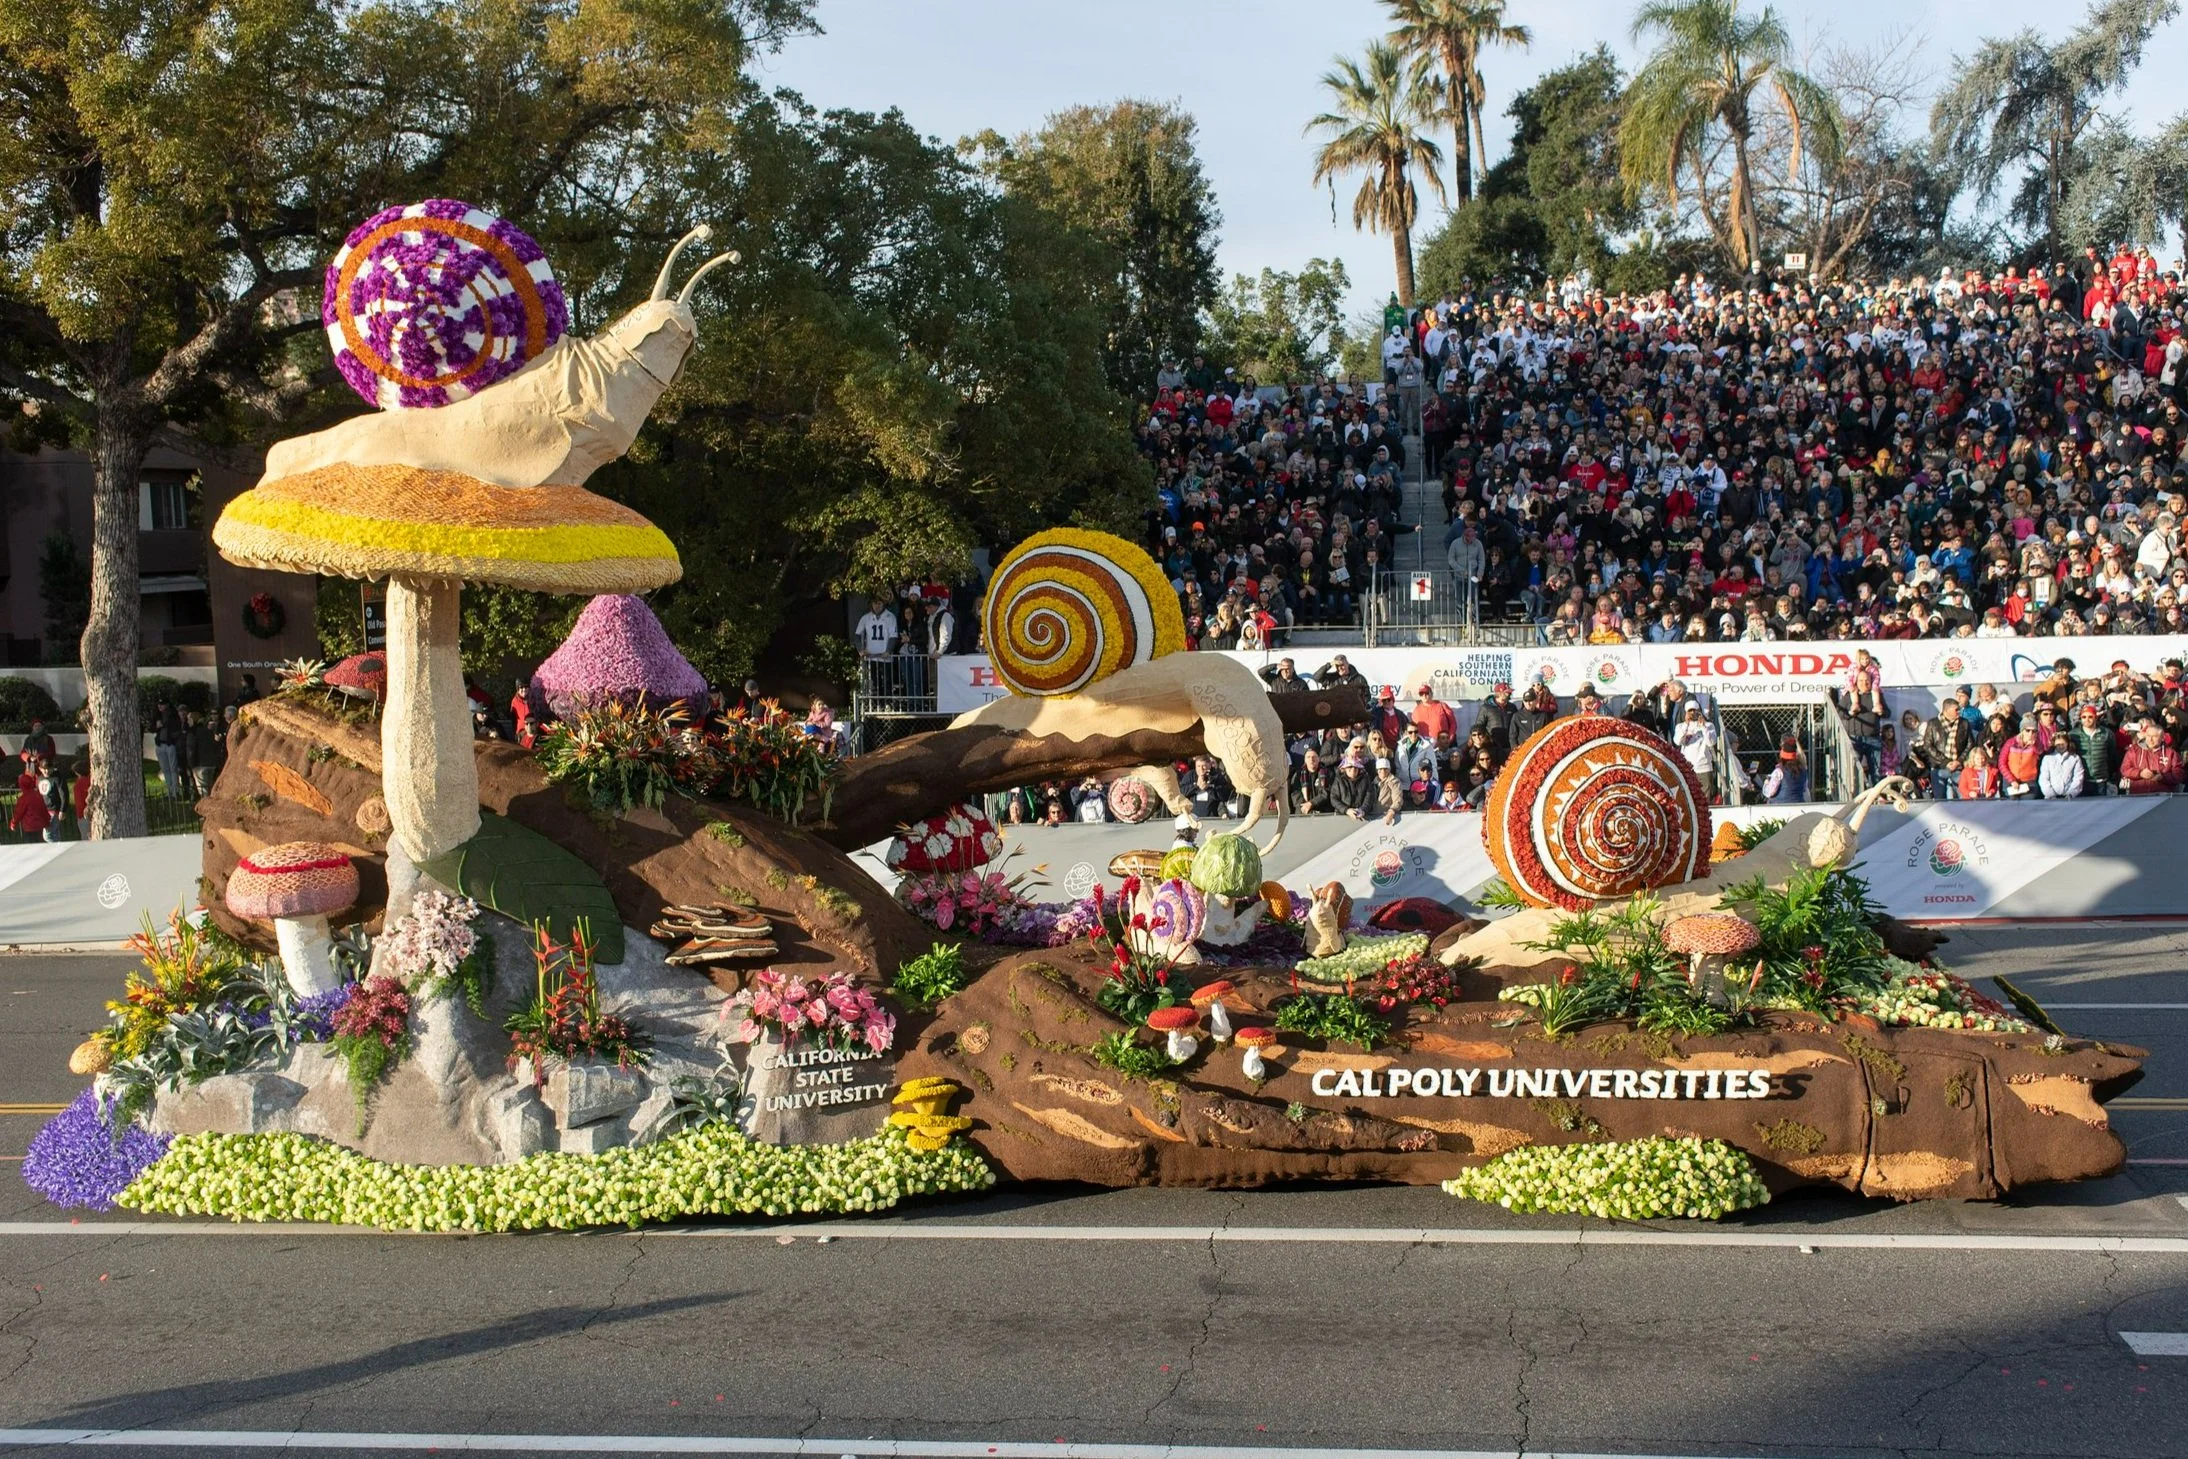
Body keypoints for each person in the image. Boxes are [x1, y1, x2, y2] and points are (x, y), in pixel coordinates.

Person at [2120, 719, 2184, 794]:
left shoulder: (2171, 754)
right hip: (2137, 794)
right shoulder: (2134, 751)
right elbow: (2124, 769)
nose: (2150, 739)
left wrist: (2163, 777)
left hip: (2162, 795)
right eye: (2148, 736)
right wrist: (2140, 773)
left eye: (2154, 736)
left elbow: (2179, 774)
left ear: (2162, 738)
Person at [1673, 702, 1718, 803]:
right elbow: (1677, 741)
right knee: (1689, 799)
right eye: (1690, 711)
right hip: (1688, 768)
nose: (1693, 713)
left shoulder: (1709, 725)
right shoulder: (1680, 727)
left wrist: (1703, 727)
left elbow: (1711, 742)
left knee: (1705, 800)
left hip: (1704, 767)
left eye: (1695, 711)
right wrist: (1686, 724)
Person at [10, 753, 51, 841]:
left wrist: (13, 823)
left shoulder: (24, 798)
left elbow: (19, 812)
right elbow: (43, 809)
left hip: (29, 826)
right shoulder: (37, 795)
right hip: (39, 825)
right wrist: (47, 822)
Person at [184, 710, 223, 798]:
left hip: (199, 764)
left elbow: (191, 749)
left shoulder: (193, 733)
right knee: (210, 788)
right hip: (211, 763)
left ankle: (207, 808)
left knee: (203, 790)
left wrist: (191, 764)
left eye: (189, 719)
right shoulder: (208, 731)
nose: (187, 721)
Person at [152, 700, 185, 799]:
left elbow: (177, 730)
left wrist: (172, 737)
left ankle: (175, 791)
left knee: (173, 768)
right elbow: (152, 728)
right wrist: (156, 726)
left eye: (161, 704)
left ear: (166, 705)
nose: (159, 706)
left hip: (170, 744)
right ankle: (169, 791)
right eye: (159, 704)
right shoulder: (158, 716)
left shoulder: (172, 716)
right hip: (160, 744)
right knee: (165, 769)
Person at [2038, 734, 2087, 799]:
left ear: (2067, 744)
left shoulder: (2075, 758)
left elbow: (2078, 777)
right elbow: (2044, 778)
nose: (2060, 747)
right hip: (2051, 798)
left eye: (2063, 744)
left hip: (2070, 797)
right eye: (2058, 745)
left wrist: (2071, 793)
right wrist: (2050, 794)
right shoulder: (2047, 758)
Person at [1762, 736, 1808, 804]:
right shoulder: (1803, 770)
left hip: (1781, 808)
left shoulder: (1779, 772)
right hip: (1799, 805)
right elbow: (1804, 789)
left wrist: (1766, 783)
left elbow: (1769, 793)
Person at [1373, 756, 1405, 825]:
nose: (1383, 771)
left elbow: (1398, 799)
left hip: (1388, 816)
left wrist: (1392, 810)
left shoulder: (1394, 782)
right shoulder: (1373, 783)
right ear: (1377, 770)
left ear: (1389, 769)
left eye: (1385, 769)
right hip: (1373, 816)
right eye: (1380, 769)